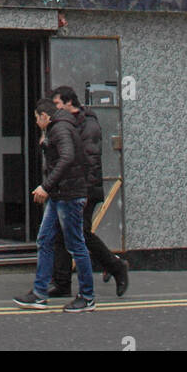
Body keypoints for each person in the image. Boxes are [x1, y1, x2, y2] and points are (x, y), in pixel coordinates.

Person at [13, 98, 95, 312]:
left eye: (37, 119)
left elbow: (66, 158)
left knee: (76, 245)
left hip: (68, 195)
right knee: (45, 240)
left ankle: (87, 297)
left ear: (44, 116)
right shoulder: (58, 129)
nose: (36, 123)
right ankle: (40, 294)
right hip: (60, 194)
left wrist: (46, 186)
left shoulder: (60, 129)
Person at [48, 86, 129, 297]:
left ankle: (116, 266)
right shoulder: (68, 123)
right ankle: (63, 284)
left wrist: (82, 193)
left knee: (79, 233)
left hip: (85, 190)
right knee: (62, 234)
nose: (54, 108)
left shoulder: (88, 125)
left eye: (56, 104)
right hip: (69, 189)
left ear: (68, 103)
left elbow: (89, 163)